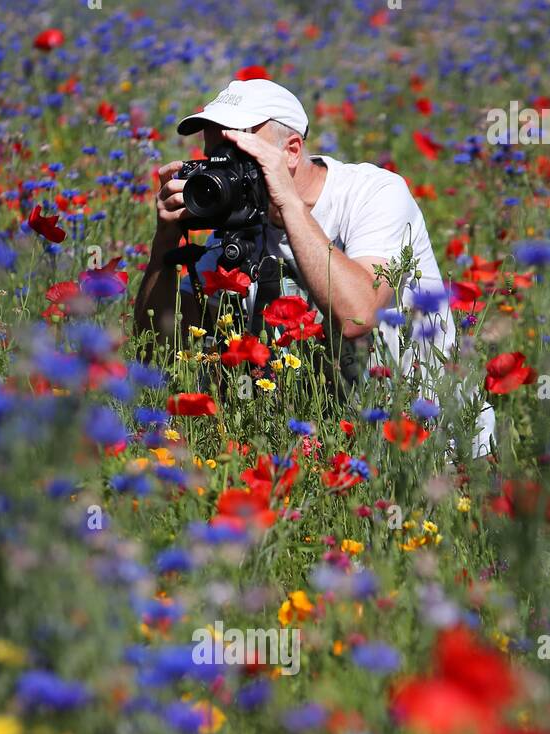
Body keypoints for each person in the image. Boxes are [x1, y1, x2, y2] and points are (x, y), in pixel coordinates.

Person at [134, 78, 495, 455]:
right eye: (216, 157)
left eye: (241, 153)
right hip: (323, 447)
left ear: (291, 151)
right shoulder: (233, 226)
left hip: (431, 444)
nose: (227, 170)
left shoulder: (374, 193)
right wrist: (165, 240)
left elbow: (357, 314)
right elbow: (159, 344)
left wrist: (289, 206)